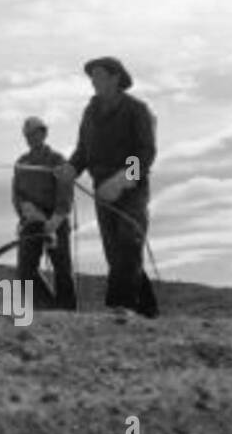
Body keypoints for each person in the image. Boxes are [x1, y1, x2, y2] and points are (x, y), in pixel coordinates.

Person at [56, 57, 158, 319]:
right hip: (101, 189)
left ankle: (120, 306)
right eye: (92, 76)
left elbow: (145, 152)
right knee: (116, 250)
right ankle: (147, 311)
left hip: (132, 189)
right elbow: (82, 151)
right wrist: (70, 169)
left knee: (128, 242)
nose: (93, 81)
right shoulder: (90, 112)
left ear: (116, 78)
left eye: (99, 75)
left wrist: (124, 179)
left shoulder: (137, 109)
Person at [12, 116, 77, 310]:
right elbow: (16, 194)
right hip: (31, 220)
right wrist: (25, 209)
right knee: (25, 270)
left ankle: (68, 311)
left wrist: (55, 219)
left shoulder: (57, 160)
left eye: (35, 133)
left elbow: (66, 191)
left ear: (44, 133)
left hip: (55, 219)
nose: (31, 138)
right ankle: (47, 307)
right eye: (28, 135)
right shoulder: (21, 163)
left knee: (62, 268)